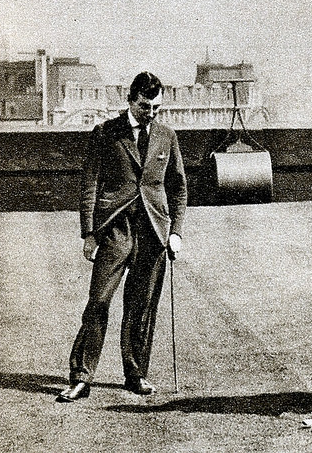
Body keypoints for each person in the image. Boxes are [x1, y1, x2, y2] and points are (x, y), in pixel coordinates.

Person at [58, 71, 188, 402]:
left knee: (142, 306)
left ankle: (135, 374)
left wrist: (175, 232)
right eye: (145, 106)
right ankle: (81, 376)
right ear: (130, 100)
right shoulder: (105, 133)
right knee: (99, 301)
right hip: (115, 230)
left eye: (157, 107)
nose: (152, 113)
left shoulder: (167, 135)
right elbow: (90, 182)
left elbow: (177, 186)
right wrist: (89, 233)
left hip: (153, 233)